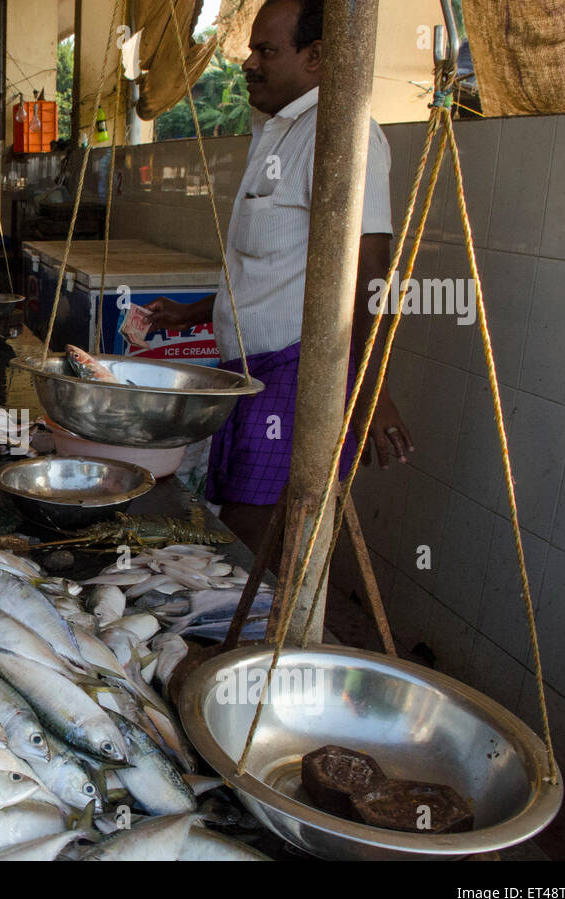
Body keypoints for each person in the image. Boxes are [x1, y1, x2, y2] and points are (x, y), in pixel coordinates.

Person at [145, 0, 413, 556]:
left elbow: (370, 273)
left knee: (249, 534)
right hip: (246, 369)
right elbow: (274, 268)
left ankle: (256, 638)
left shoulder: (341, 136)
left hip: (293, 375)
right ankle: (246, 628)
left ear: (316, 56)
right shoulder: (278, 130)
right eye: (250, 50)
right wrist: (192, 312)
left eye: (266, 51)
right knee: (235, 526)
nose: (248, 64)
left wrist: (369, 390)